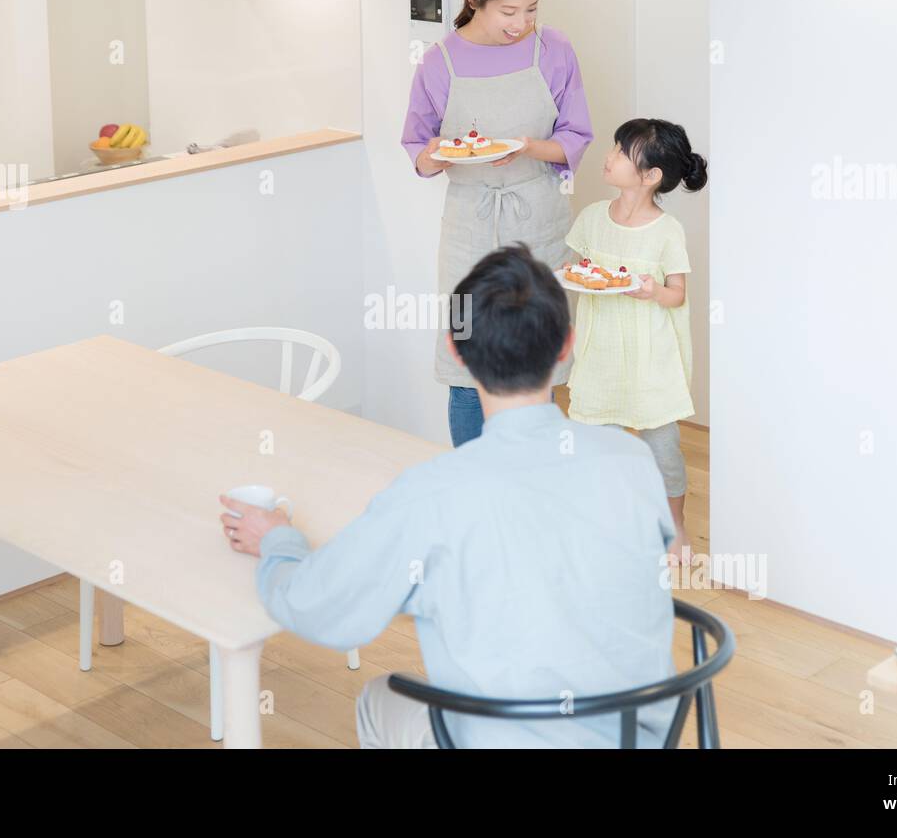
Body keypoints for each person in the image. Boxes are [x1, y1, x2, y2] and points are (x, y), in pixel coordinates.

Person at [219, 245, 675, 748]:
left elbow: (322, 611)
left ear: (456, 350)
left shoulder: (434, 492)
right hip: (640, 737)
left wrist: (278, 539)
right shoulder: (631, 461)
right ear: (566, 345)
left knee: (379, 698)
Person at [401, 0, 593, 447]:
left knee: (536, 363)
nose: (521, 23)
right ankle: (473, 483)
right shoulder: (437, 63)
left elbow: (576, 137)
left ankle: (530, 483)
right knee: (467, 360)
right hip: (469, 225)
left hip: (538, 221)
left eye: (531, 9)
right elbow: (419, 151)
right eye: (509, 10)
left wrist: (530, 146)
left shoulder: (554, 49)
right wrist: (440, 151)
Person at [563, 119, 707, 562]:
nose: (610, 157)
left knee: (663, 450)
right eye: (615, 147)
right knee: (592, 447)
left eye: (623, 152)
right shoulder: (591, 218)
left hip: (649, 359)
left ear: (650, 176)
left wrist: (650, 291)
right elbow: (579, 271)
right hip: (600, 354)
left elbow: (678, 293)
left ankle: (676, 527)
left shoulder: (667, 232)